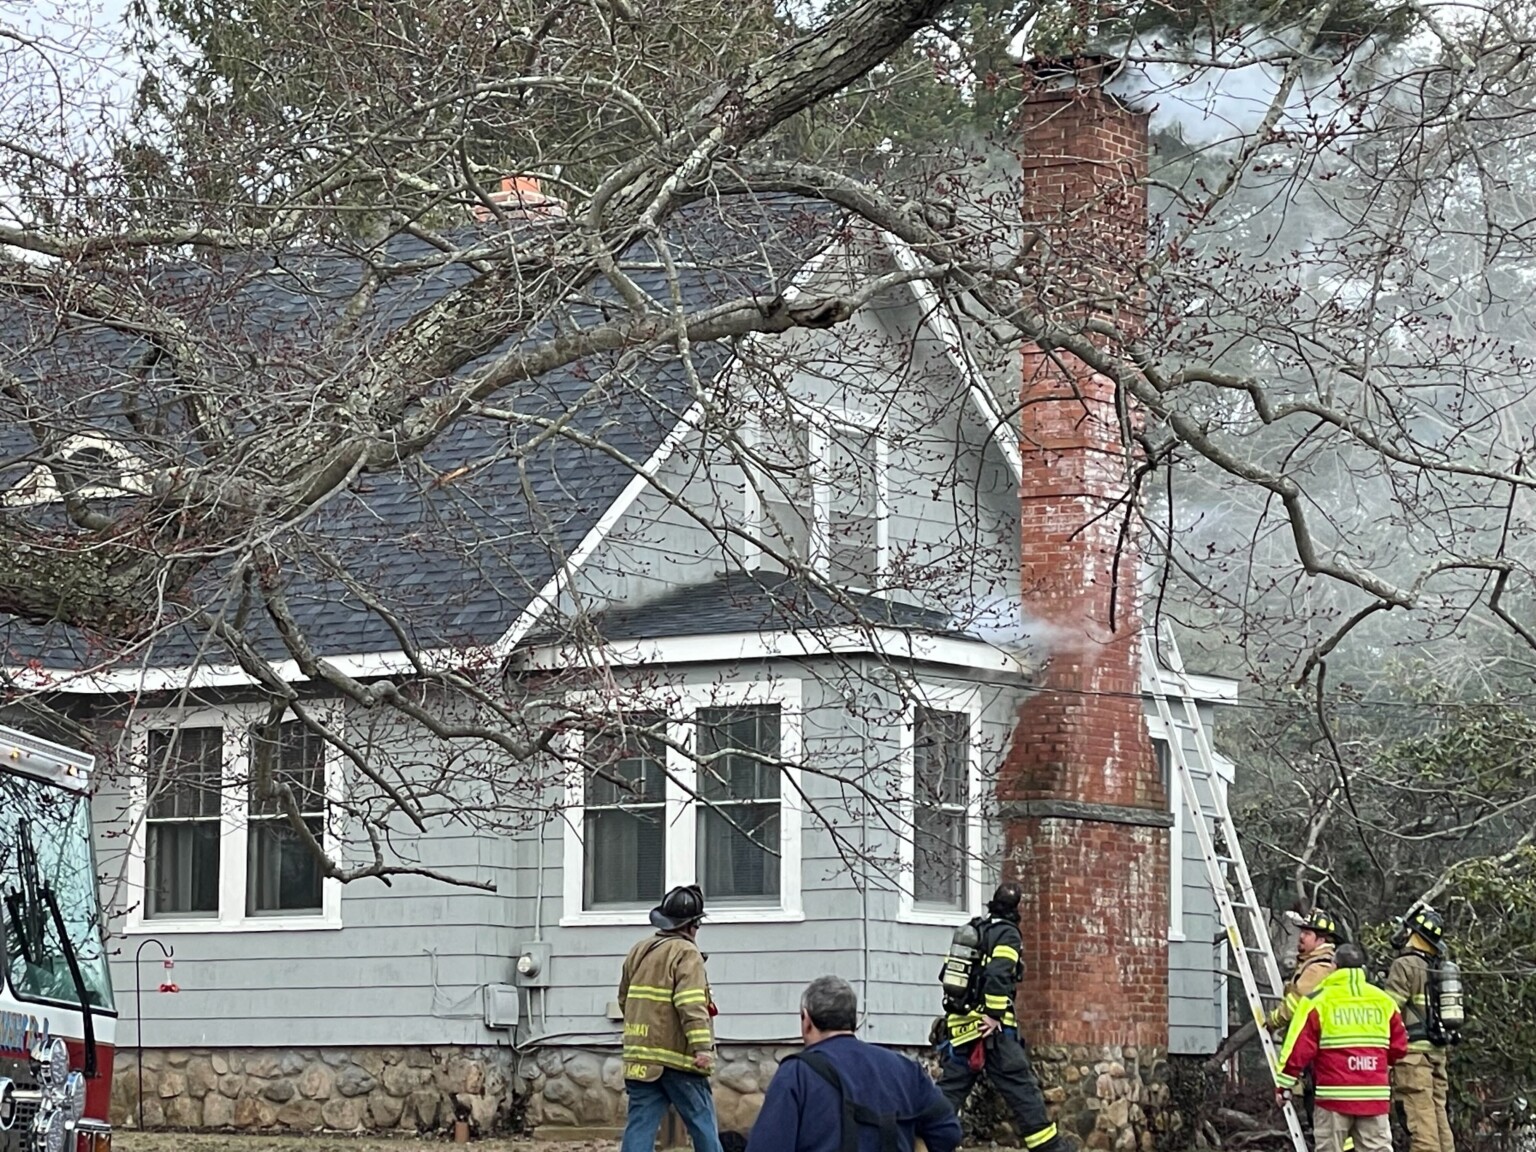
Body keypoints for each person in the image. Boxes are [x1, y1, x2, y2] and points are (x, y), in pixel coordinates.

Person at [750, 975, 962, 1152]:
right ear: (854, 1019)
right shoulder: (904, 1069)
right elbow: (948, 1132)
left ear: (806, 1020)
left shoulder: (796, 1074)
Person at [934, 882, 1063, 1152]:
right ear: (1017, 909)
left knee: (950, 1091)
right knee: (1022, 1090)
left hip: (960, 1028)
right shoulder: (1008, 934)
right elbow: (997, 974)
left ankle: (920, 1142)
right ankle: (1050, 1149)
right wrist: (993, 1015)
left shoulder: (974, 929)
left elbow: (947, 974)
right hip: (992, 1032)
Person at [618, 884, 723, 1152]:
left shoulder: (639, 950)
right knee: (702, 1123)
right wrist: (702, 1048)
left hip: (640, 1059)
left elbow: (624, 1000)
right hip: (678, 1061)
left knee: (640, 1125)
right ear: (692, 925)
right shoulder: (687, 953)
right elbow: (691, 1003)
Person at [1275, 944, 1407, 1152]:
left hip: (1333, 1097)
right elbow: (1399, 1048)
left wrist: (1284, 1085)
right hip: (1374, 1096)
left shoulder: (1317, 1001)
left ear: (1334, 966)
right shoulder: (1385, 1002)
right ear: (1362, 969)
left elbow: (1297, 1049)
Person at [1206, 907, 1340, 1070]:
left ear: (1321, 940)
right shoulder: (1314, 963)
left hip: (1312, 1044)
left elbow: (1296, 1004)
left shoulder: (1318, 968)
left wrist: (1273, 1020)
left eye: (1307, 933)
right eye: (1302, 932)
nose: (1301, 936)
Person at [1384, 905, 1457, 1152]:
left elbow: (1389, 1011)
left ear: (1412, 932)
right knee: (1439, 1118)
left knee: (1420, 1122)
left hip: (1413, 1056)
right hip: (1437, 1053)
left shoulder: (1405, 965)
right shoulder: (1437, 966)